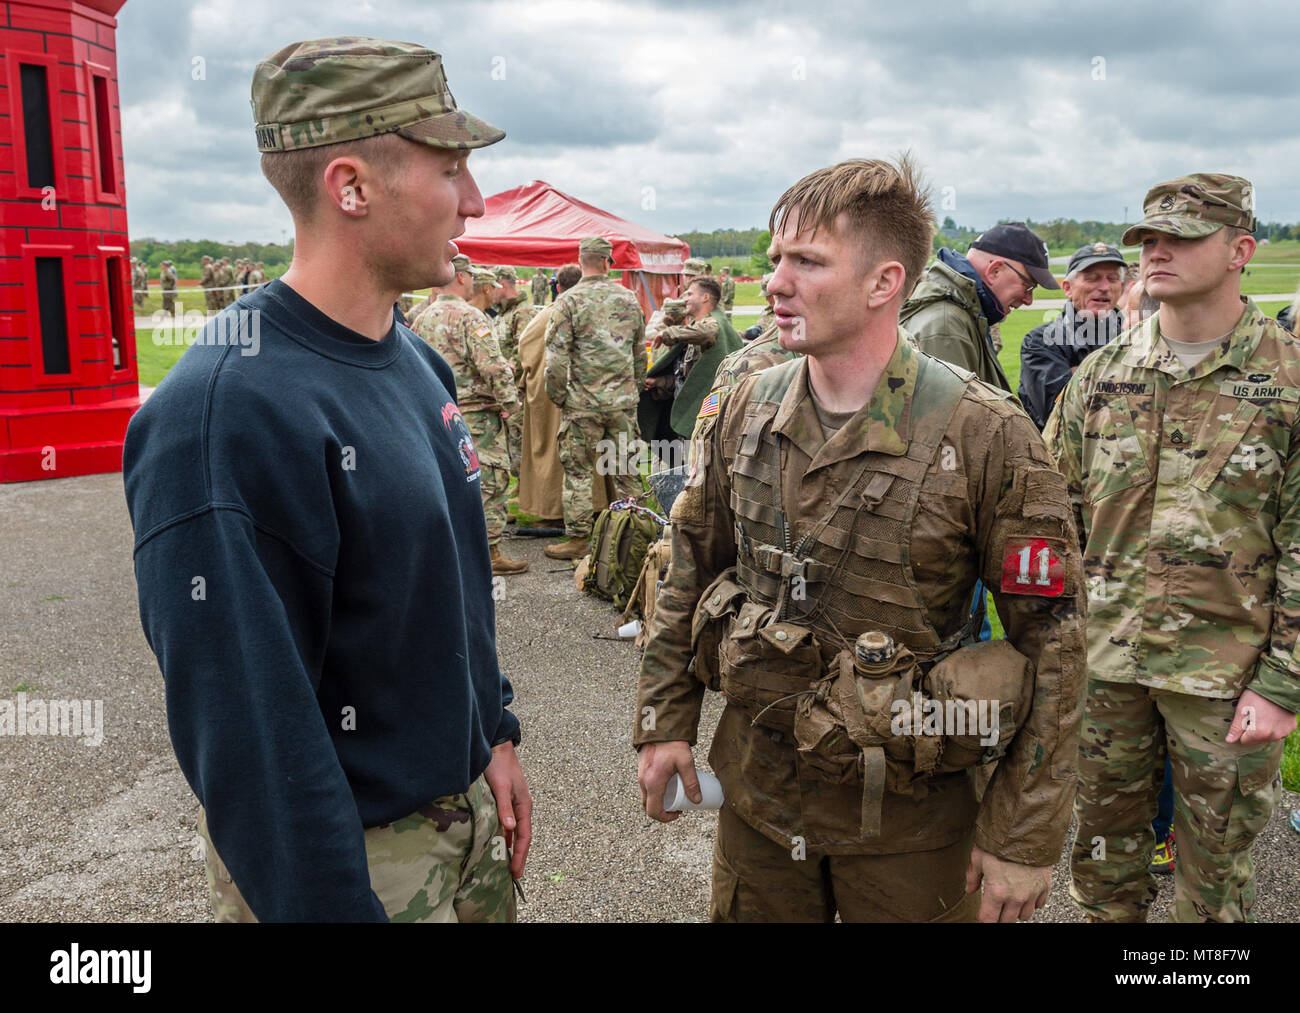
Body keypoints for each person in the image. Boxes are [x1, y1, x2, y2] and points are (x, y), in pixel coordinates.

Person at [122, 36, 530, 923]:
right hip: (355, 870)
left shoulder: (417, 360)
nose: (475, 200)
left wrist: (492, 730)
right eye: (451, 169)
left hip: (464, 836)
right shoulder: (227, 412)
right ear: (351, 186)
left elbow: (448, 588)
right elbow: (254, 743)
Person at [634, 155, 1086, 923]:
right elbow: (688, 567)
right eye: (777, 258)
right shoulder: (747, 406)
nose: (775, 281)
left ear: (884, 283)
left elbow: (1057, 643)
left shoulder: (985, 434)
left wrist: (1024, 835)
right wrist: (664, 721)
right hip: (762, 802)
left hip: (910, 822)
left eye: (807, 261)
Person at [1045, 173, 1299, 922]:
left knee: (1213, 887)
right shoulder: (1102, 376)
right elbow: (1056, 519)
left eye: (1181, 237)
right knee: (1102, 869)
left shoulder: (1286, 383)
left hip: (1227, 682)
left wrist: (1282, 683)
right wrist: (1058, 649)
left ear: (1239, 250)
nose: (1156, 252)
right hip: (1109, 670)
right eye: (1148, 239)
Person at [415, 265, 528, 576]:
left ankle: (453, 550)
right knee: (490, 480)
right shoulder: (470, 316)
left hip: (439, 414)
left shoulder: (422, 316)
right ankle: (488, 551)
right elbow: (492, 366)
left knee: (450, 480)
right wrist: (510, 403)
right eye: (473, 279)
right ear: (462, 277)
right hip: (476, 416)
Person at [542, 235, 646, 560]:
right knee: (626, 469)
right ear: (606, 261)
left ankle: (578, 539)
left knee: (578, 471)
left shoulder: (568, 301)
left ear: (581, 260)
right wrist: (633, 390)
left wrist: (559, 397)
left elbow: (555, 359)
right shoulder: (628, 299)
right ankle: (637, 534)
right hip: (622, 403)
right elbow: (639, 353)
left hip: (582, 403)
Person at [900, 222, 1059, 392]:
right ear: (995, 271)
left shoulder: (965, 314)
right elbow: (952, 417)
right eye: (1028, 286)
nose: (1029, 300)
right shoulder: (946, 326)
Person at [1018, 243, 1126, 430]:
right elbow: (1061, 414)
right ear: (1067, 288)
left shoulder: (1136, 336)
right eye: (1092, 278)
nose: (1104, 287)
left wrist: (1080, 376)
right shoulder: (1040, 342)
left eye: (1113, 278)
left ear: (1122, 288)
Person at [517, 263, 583, 523]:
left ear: (557, 287)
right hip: (588, 395)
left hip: (553, 397)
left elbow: (526, 345)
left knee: (554, 456)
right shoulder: (589, 311)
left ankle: (552, 511)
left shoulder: (550, 314)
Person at [652, 275, 741, 439]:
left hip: (706, 417)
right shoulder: (695, 327)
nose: (685, 298)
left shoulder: (714, 323)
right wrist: (659, 382)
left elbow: (708, 333)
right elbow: (688, 377)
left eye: (690, 294)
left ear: (705, 297)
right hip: (691, 412)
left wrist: (670, 333)